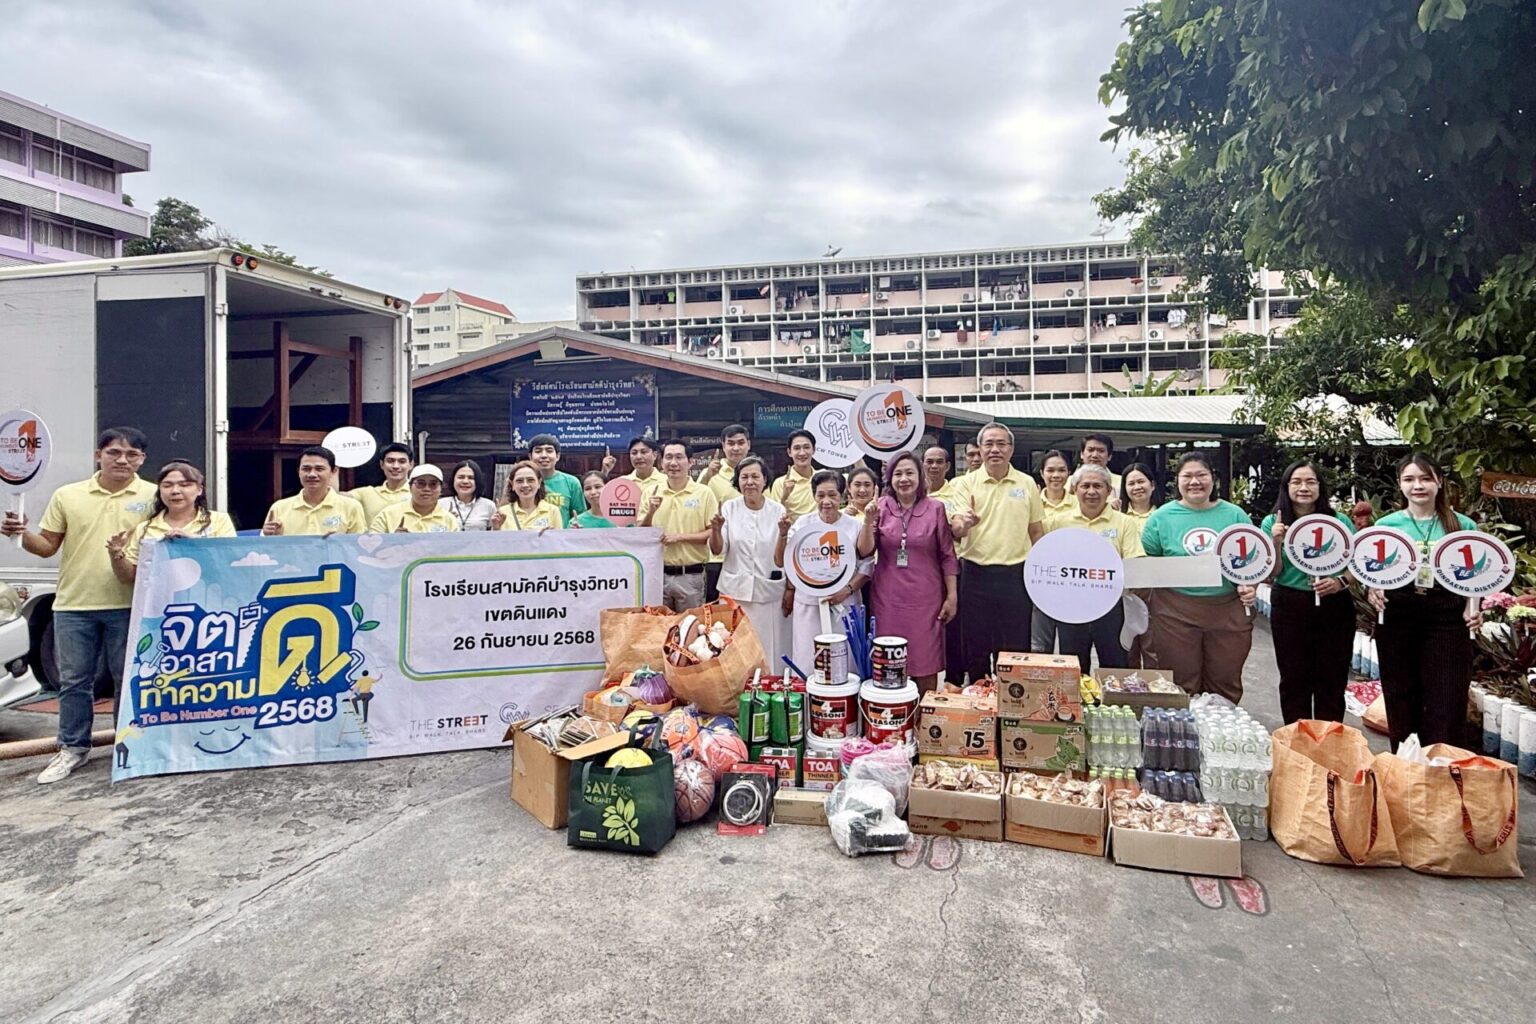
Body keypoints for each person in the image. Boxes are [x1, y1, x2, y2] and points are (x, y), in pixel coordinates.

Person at [1, 426, 156, 785]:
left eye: (132, 454)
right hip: (74, 604)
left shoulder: (153, 496)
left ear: (142, 460)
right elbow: (47, 547)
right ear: (98, 455)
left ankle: (128, 748)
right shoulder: (68, 495)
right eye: (114, 452)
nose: (122, 460)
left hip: (130, 605)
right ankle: (72, 748)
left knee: (128, 682)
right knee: (74, 683)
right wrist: (20, 532)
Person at [1367, 453, 1482, 749]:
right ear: (1400, 484)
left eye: (1425, 478)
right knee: (1400, 693)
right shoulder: (1387, 524)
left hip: (1446, 614)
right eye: (1409, 479)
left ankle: (1443, 763)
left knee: (1447, 696)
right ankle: (1406, 763)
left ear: (1439, 481)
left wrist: (1473, 607)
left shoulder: (1463, 525)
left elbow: (1477, 575)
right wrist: (1373, 589)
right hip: (1398, 611)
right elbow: (1372, 566)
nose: (1417, 486)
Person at [1139, 451, 1256, 702]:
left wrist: (1250, 585)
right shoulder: (1160, 518)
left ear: (1213, 478)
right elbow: (1149, 564)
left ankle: (1220, 724)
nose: (1195, 482)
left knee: (1225, 678)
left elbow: (1251, 560)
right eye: (1187, 476)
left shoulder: (1235, 515)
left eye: (1201, 475)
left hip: (1227, 609)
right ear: (1177, 481)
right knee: (1180, 681)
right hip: (1174, 610)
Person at [948, 422, 1046, 683]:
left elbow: (1036, 531)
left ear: (1011, 449)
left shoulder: (1026, 483)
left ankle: (1014, 699)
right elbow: (957, 526)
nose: (995, 449)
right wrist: (964, 523)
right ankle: (980, 695)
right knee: (976, 644)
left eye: (1001, 444)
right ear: (980, 449)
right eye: (989, 444)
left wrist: (1039, 576)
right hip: (975, 574)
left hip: (1016, 575)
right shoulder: (965, 484)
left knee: (1015, 645)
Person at [1261, 460, 1355, 724]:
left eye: (1311, 482)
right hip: (1290, 604)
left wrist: (1340, 582)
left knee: (1332, 679)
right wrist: (1275, 542)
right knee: (1294, 679)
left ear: (1320, 487)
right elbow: (1272, 572)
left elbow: (1356, 565)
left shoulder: (1340, 522)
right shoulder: (1273, 522)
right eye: (1297, 482)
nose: (1304, 488)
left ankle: (1330, 740)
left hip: (1334, 604)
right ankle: (1297, 739)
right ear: (1286, 487)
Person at [858, 451, 958, 693]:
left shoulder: (935, 508)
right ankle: (890, 711)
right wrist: (868, 521)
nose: (904, 479)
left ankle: (924, 713)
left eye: (910, 473)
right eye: (898, 474)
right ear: (890, 478)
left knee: (925, 660)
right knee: (888, 660)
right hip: (888, 598)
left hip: (926, 599)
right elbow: (865, 550)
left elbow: (947, 555)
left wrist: (952, 595)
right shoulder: (880, 506)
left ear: (920, 476)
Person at [1038, 464, 1144, 674]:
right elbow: (1043, 558)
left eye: (1098, 486)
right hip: (1070, 607)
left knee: (1114, 666)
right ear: (1074, 489)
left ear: (1108, 490)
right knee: (1072, 669)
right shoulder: (1057, 522)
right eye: (1085, 486)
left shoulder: (1125, 523)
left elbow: (1134, 563)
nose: (1091, 491)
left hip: (1111, 607)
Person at [775, 470, 873, 677]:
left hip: (845, 605)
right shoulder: (802, 525)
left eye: (832, 495)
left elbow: (867, 565)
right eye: (820, 495)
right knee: (808, 662)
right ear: (814, 496)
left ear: (842, 496)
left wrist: (846, 590)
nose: (826, 501)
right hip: (809, 604)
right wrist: (782, 535)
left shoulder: (855, 526)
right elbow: (781, 561)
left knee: (845, 664)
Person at [708, 455, 790, 668]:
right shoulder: (729, 508)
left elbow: (780, 559)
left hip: (767, 593)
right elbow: (718, 550)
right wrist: (715, 530)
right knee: (735, 650)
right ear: (737, 481)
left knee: (769, 648)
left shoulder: (778, 511)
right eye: (744, 477)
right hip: (734, 593)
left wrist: (783, 534)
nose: (750, 482)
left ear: (765, 480)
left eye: (755, 476)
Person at [109, 461, 237, 584]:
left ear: (199, 490)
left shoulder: (219, 520)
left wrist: (194, 542)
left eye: (184, 485)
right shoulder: (144, 529)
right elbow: (128, 578)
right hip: (159, 598)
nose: (175, 491)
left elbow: (229, 561)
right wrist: (116, 553)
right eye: (167, 485)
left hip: (208, 595)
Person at [641, 439, 719, 611]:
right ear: (661, 462)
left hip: (691, 576)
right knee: (657, 625)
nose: (673, 463)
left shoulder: (704, 493)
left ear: (690, 462)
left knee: (690, 625)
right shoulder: (650, 492)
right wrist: (651, 512)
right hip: (657, 576)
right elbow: (641, 534)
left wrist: (680, 537)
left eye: (679, 457)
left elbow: (711, 532)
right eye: (668, 457)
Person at [262, 447, 368, 536]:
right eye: (306, 469)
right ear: (298, 471)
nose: (312, 474)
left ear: (333, 471)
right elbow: (268, 548)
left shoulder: (351, 507)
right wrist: (268, 537)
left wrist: (337, 542)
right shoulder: (279, 508)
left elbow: (358, 547)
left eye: (319, 469)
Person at [701, 424, 752, 600]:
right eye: (731, 443)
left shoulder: (756, 474)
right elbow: (696, 499)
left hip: (747, 555)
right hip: (717, 557)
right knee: (715, 609)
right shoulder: (711, 473)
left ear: (748, 445)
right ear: (723, 446)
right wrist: (708, 475)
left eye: (740, 443)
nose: (736, 448)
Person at [370, 465, 460, 533]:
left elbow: (457, 550)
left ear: (441, 489)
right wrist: (393, 540)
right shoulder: (387, 515)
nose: (427, 489)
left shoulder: (449, 520)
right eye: (421, 483)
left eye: (433, 484)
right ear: (410, 487)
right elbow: (371, 547)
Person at [346, 442, 414, 524]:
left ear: (411, 465)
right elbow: (335, 496)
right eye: (390, 461)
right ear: (382, 464)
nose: (395, 466)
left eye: (402, 461)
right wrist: (334, 469)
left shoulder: (418, 493)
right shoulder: (366, 493)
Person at [527, 434, 585, 526]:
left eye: (549, 451)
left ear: (557, 456)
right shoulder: (523, 483)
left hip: (562, 535)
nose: (544, 455)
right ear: (530, 457)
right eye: (538, 451)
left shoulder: (572, 482)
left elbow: (580, 516)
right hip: (530, 534)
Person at [496, 460, 565, 531]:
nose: (525, 485)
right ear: (512, 484)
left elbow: (559, 537)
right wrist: (496, 528)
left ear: (539, 483)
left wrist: (550, 535)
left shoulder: (553, 511)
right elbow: (496, 538)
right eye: (519, 481)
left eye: (530, 480)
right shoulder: (503, 512)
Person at [768, 428, 817, 519]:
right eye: (797, 448)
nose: (802, 453)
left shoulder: (823, 478)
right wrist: (785, 496)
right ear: (789, 452)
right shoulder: (780, 483)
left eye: (806, 447)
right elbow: (774, 517)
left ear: (813, 450)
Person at [440, 460, 497, 530]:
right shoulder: (441, 504)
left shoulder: (488, 505)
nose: (465, 481)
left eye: (471, 478)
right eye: (461, 477)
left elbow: (493, 534)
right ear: (453, 480)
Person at [1080, 433, 1122, 506]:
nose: (1095, 455)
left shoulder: (1122, 482)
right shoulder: (1067, 482)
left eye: (1101, 451)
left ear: (1109, 456)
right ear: (1082, 454)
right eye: (1090, 450)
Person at [622, 437, 666, 503]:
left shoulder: (666, 481)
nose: (638, 457)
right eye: (634, 453)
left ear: (654, 455)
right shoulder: (622, 482)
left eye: (643, 452)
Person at [922, 445, 960, 514]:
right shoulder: (914, 494)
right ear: (922, 465)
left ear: (947, 466)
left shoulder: (958, 495)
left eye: (939, 462)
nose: (934, 466)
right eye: (929, 462)